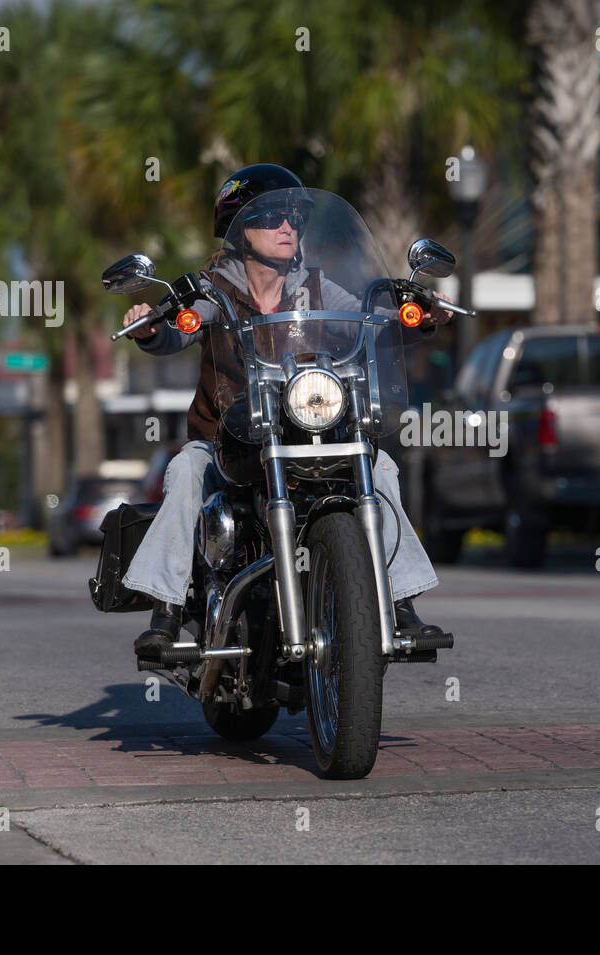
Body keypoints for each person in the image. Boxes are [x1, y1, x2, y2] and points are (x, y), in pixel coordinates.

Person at [120, 163, 451, 661]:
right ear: (239, 230)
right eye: (273, 217)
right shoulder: (216, 289)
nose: (287, 228)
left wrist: (419, 317)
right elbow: (181, 329)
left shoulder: (315, 288)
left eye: (294, 218)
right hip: (230, 439)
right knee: (186, 469)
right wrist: (151, 328)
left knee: (380, 467)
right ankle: (165, 614)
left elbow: (369, 321)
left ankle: (401, 603)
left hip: (308, 430)